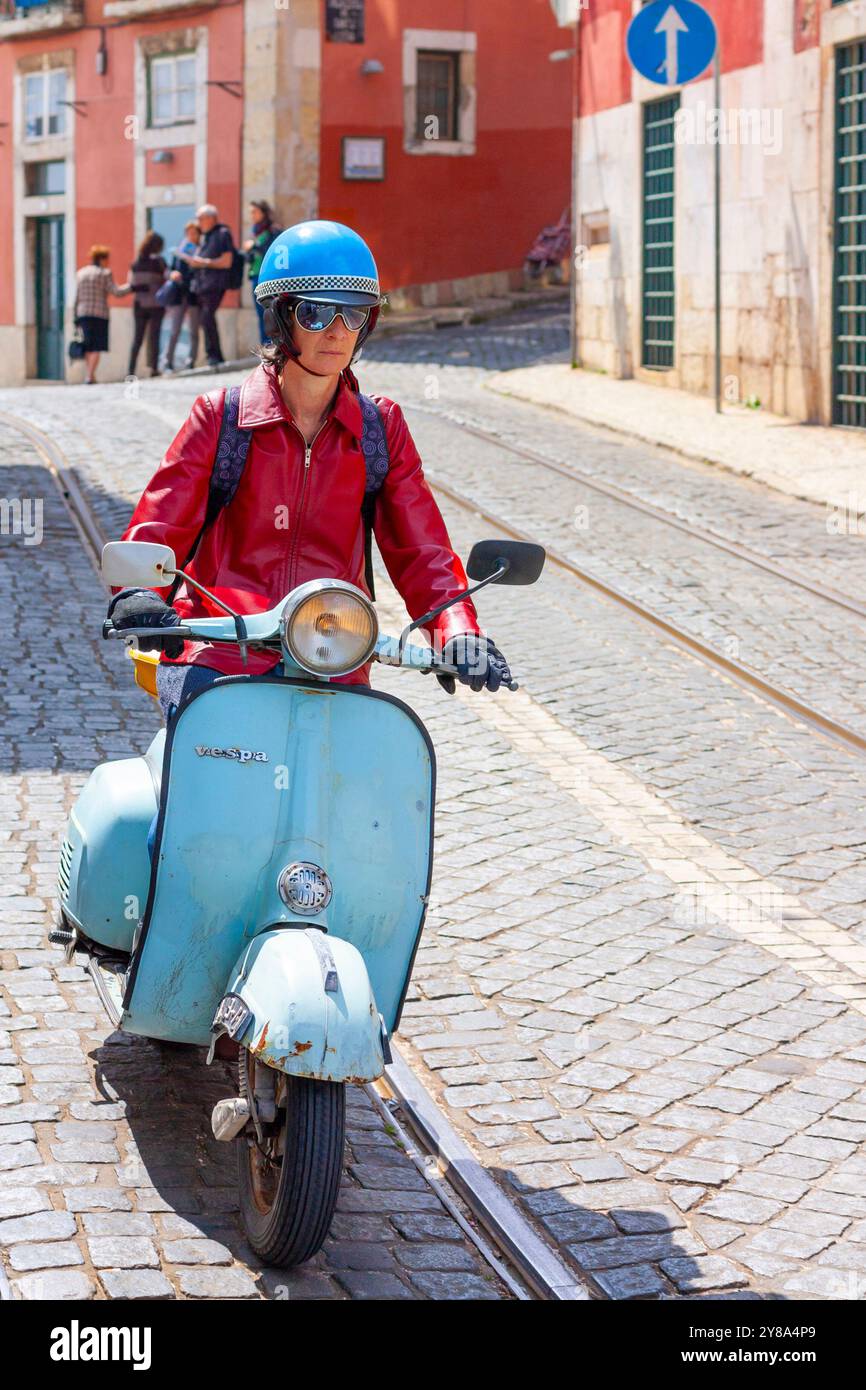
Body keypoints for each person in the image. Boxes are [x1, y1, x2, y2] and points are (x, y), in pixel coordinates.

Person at [106, 219, 512, 720]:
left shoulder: (379, 428)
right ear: (281, 318)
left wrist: (457, 631)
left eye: (355, 314)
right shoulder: (221, 417)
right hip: (218, 657)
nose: (339, 332)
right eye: (318, 312)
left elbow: (422, 549)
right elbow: (157, 528)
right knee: (212, 780)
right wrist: (138, 593)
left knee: (363, 787)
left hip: (332, 662)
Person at [72, 246, 131, 384]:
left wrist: (75, 316)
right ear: (102, 259)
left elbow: (77, 297)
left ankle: (90, 374)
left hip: (83, 313)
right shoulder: (105, 274)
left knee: (87, 344)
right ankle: (90, 375)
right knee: (96, 345)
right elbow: (116, 292)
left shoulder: (81, 273)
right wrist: (131, 286)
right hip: (99, 313)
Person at [184, 203, 234, 367]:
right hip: (203, 286)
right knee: (206, 319)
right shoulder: (206, 236)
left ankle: (214, 356)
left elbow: (227, 262)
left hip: (215, 284)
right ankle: (213, 355)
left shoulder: (222, 233)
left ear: (211, 218)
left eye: (201, 219)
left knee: (207, 317)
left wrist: (203, 262)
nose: (198, 222)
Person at [128, 231, 168, 378]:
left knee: (137, 338)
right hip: (156, 304)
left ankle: (131, 371)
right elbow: (166, 279)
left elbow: (131, 283)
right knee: (154, 337)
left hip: (139, 304)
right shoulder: (160, 262)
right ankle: (154, 369)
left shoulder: (136, 262)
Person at [163, 220, 201, 372]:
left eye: (194, 233)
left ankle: (190, 361)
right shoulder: (180, 252)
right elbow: (169, 270)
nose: (191, 236)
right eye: (189, 233)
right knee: (174, 330)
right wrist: (172, 274)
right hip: (179, 294)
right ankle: (167, 362)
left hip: (194, 295)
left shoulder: (201, 250)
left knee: (193, 330)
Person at [243, 200, 280, 344]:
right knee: (261, 314)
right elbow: (250, 257)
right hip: (255, 277)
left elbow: (272, 254)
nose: (252, 215)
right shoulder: (256, 232)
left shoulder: (273, 231)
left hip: (268, 278)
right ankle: (266, 346)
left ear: (263, 213)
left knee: (271, 313)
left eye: (254, 212)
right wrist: (249, 250)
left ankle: (275, 345)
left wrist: (254, 246)